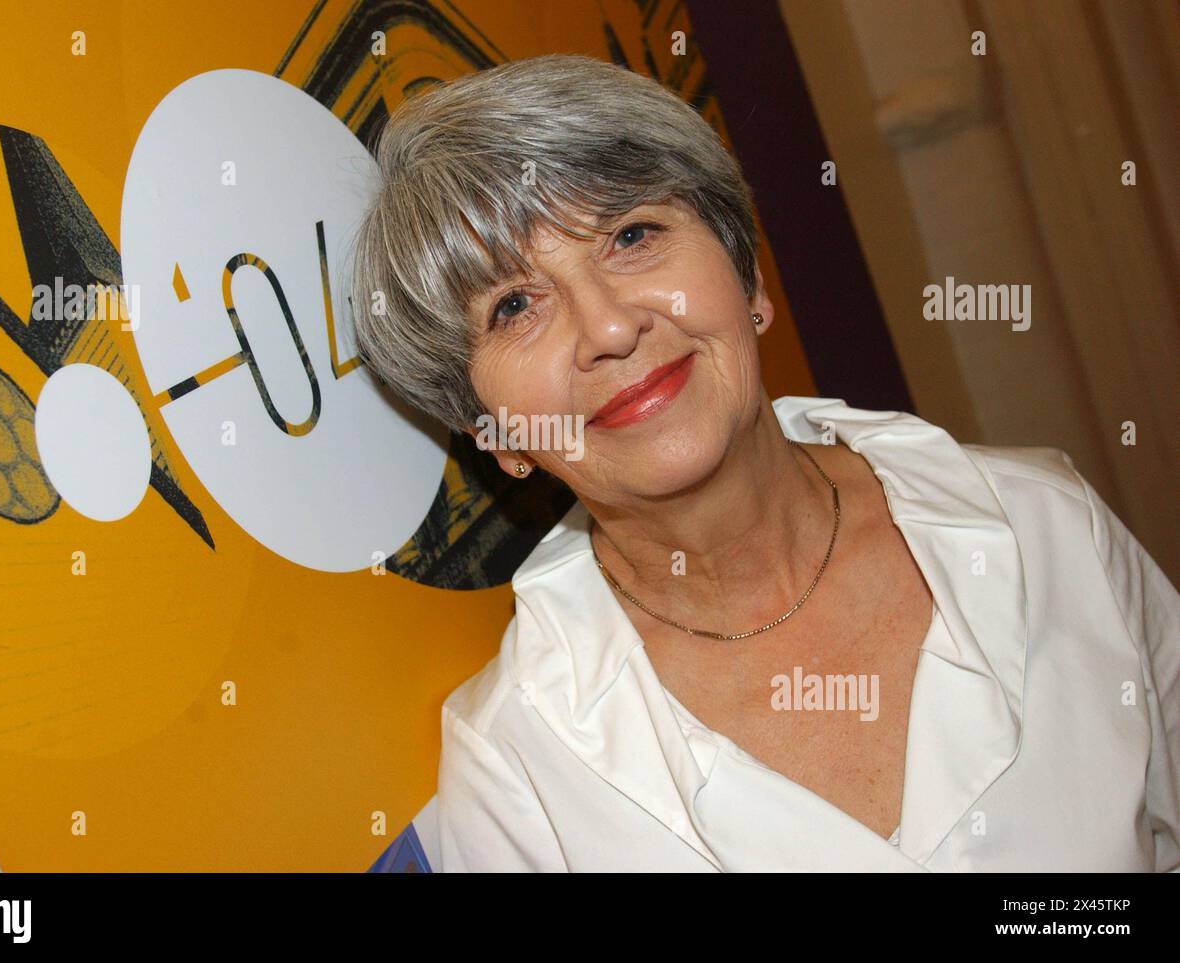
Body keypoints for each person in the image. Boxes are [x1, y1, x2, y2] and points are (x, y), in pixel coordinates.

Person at [349, 53, 1180, 871]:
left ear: (745, 272)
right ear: (492, 434)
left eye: (631, 235)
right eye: (514, 307)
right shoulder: (515, 771)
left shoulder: (1044, 522)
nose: (608, 327)